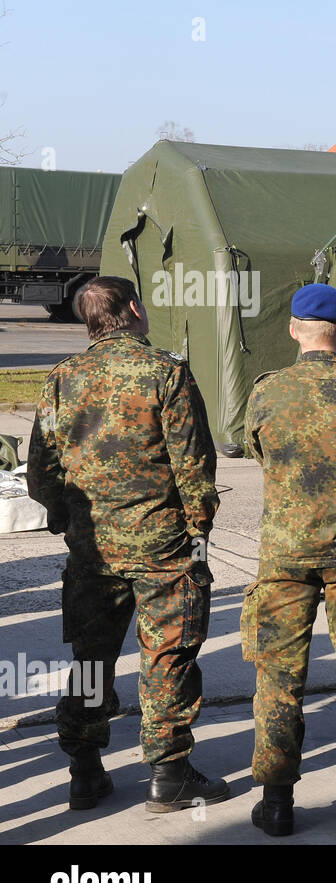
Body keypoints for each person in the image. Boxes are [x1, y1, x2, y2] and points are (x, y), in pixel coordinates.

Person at [26, 276, 229, 812]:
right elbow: (194, 464)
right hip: (162, 546)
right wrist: (199, 528)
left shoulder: (61, 379)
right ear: (133, 309)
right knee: (166, 656)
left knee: (91, 660)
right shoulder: (166, 372)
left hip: (92, 550)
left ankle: (85, 770)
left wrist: (63, 519)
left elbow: (41, 471)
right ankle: (169, 774)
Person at [240, 283, 336, 835]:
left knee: (279, 677)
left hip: (284, 556)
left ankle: (278, 801)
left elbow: (257, 453)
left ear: (292, 328)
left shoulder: (267, 394)